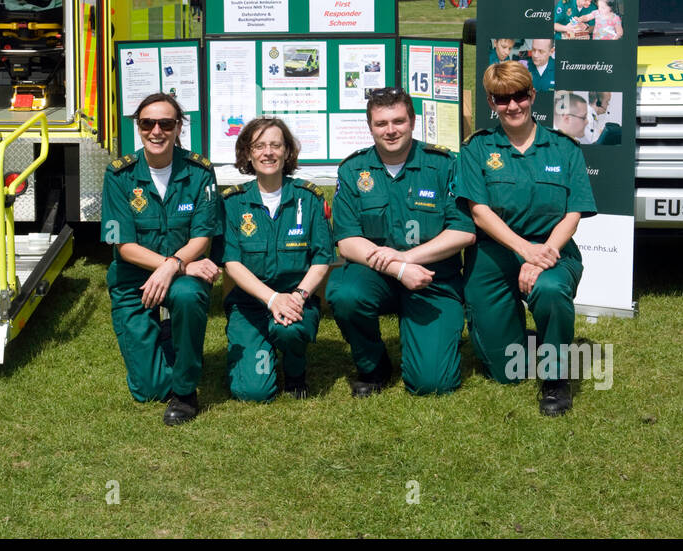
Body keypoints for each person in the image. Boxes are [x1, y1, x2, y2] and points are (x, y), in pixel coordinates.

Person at [456, 62, 597, 416]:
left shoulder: (564, 148)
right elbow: (479, 212)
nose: (513, 106)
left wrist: (542, 254)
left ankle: (555, 378)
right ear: (491, 102)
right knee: (507, 371)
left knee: (549, 290)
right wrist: (524, 251)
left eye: (519, 96)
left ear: (532, 95)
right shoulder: (477, 148)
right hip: (494, 252)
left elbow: (573, 213)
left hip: (553, 248)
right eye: (502, 99)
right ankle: (533, 340)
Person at [326, 88, 476, 395]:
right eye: (381, 124)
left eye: (398, 121)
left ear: (413, 121)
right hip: (374, 275)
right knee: (344, 293)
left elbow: (463, 231)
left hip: (433, 277)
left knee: (431, 384)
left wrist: (408, 260)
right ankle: (373, 366)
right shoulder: (353, 169)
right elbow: (347, 240)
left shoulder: (444, 164)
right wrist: (397, 268)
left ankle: (430, 342)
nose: (390, 130)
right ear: (370, 127)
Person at [101, 93, 223, 425]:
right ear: (137, 127)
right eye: (147, 123)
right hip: (133, 281)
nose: (157, 131)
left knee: (187, 294)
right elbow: (122, 245)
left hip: (181, 278)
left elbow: (202, 236)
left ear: (178, 127)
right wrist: (174, 263)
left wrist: (173, 268)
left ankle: (186, 393)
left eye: (166, 123)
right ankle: (169, 335)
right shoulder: (119, 175)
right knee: (150, 389)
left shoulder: (199, 171)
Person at [220, 118, 331, 401]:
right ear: (247, 153)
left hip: (297, 300)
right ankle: (261, 345)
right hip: (250, 305)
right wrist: (272, 300)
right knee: (254, 393)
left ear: (287, 153)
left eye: (275, 145)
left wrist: (298, 296)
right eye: (259, 146)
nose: (268, 152)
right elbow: (231, 263)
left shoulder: (310, 198)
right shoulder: (232, 203)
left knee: (290, 330)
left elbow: (322, 257)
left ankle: (295, 370)